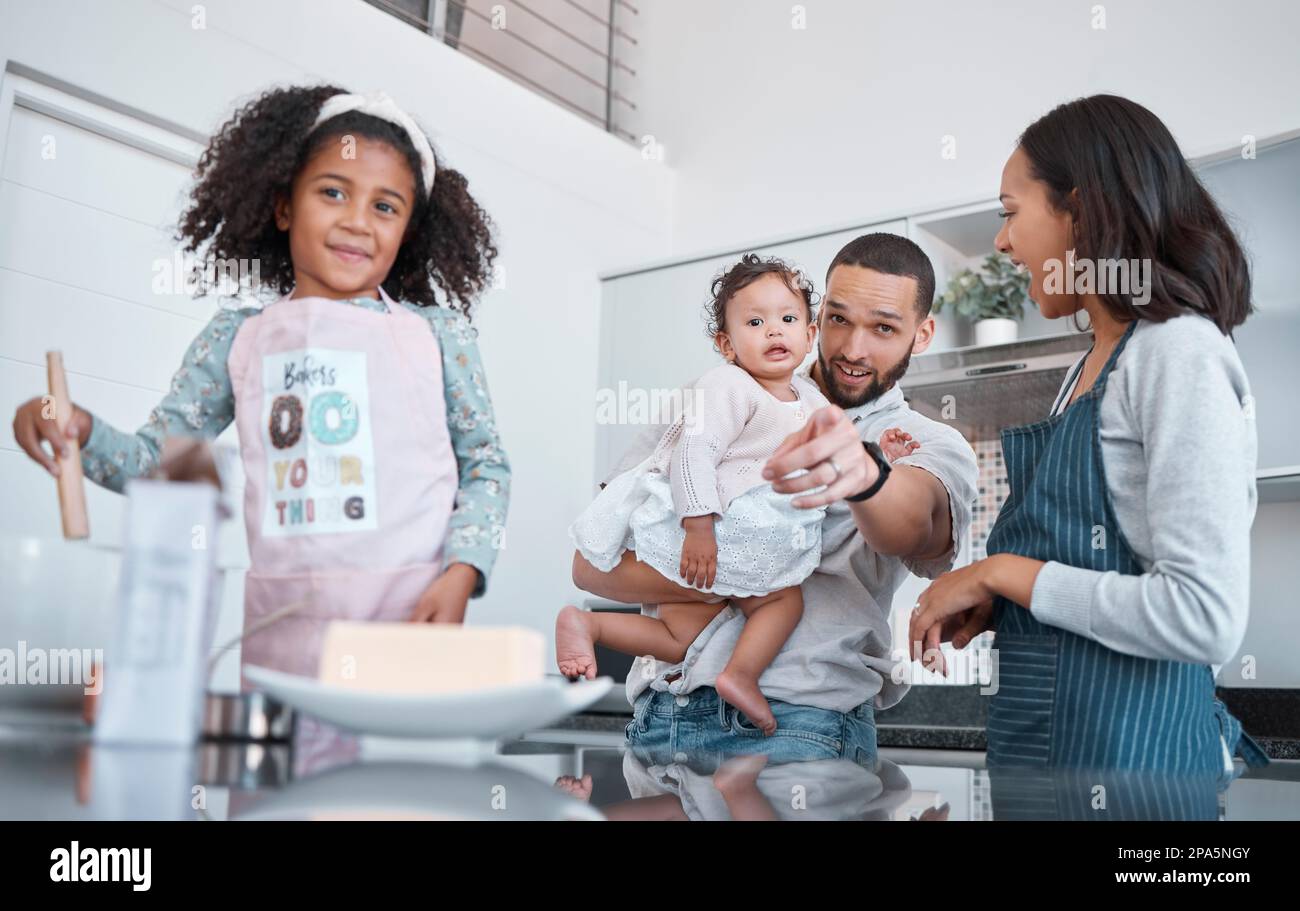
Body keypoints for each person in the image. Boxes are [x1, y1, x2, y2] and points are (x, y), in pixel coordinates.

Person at [12, 85, 510, 686]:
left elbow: (484, 465)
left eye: (385, 207)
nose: (356, 221)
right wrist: (78, 428)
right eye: (332, 192)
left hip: (411, 626)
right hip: (285, 640)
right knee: (281, 782)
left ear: (407, 229)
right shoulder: (237, 339)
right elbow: (156, 462)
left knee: (395, 781)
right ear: (283, 207)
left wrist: (462, 573)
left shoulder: (439, 335)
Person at [903, 94, 1269, 788]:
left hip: (1142, 782)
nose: (1003, 241)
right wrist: (1004, 607)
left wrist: (999, 573)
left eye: (1011, 211)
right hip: (1044, 772)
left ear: (1081, 209)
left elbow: (1203, 617)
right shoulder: (1086, 369)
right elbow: (1092, 582)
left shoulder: (1177, 352)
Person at [574, 233, 978, 770]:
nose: (853, 349)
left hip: (799, 727)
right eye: (838, 319)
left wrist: (863, 471)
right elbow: (591, 563)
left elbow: (912, 526)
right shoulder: (712, 396)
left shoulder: (926, 442)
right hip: (660, 718)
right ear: (818, 321)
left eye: (883, 327)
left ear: (921, 333)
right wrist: (726, 561)